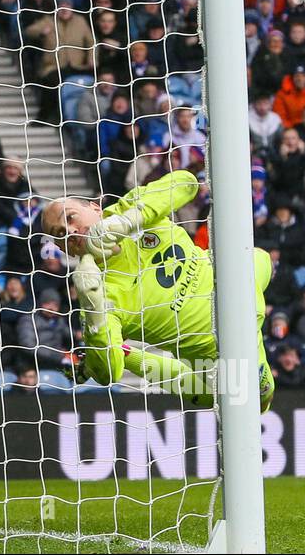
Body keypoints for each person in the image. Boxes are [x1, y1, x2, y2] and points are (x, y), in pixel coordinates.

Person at [40, 169, 275, 411]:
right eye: (61, 234)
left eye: (70, 217)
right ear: (66, 250)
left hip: (232, 284)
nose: (70, 231)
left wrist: (128, 221)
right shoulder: (98, 289)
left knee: (259, 260)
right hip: (218, 357)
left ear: (95, 207)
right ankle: (132, 352)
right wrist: (94, 307)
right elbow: (109, 371)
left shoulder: (132, 206)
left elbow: (186, 182)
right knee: (254, 396)